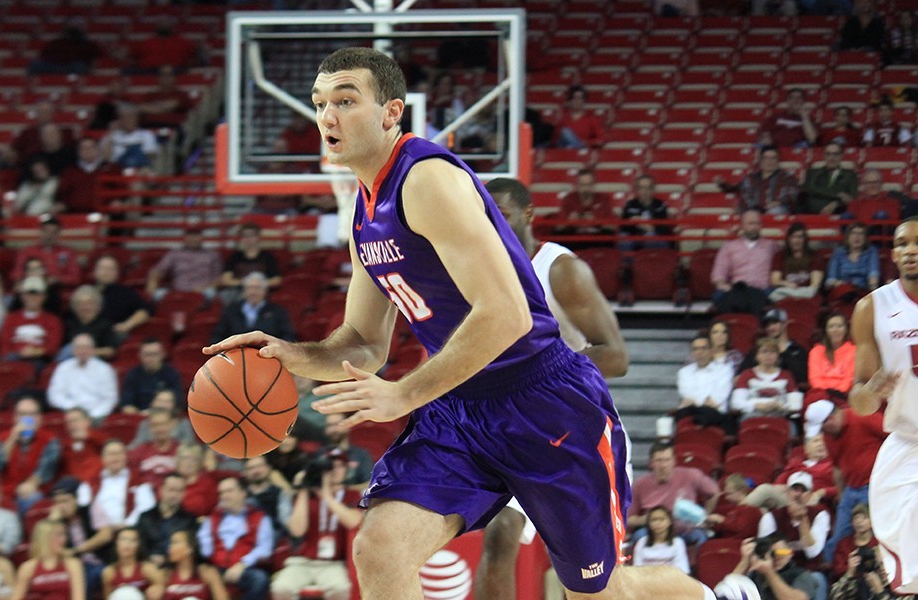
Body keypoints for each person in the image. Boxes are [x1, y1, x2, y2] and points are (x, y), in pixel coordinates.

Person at [207, 46, 709, 600]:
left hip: (545, 406)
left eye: (346, 100)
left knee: (599, 594)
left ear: (391, 112)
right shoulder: (364, 210)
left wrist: (402, 395)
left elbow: (508, 315)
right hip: (460, 411)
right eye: (320, 102)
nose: (328, 115)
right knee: (381, 547)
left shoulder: (427, 180)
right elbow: (365, 342)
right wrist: (290, 354)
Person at [478, 176, 633, 599]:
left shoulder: (560, 269)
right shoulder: (478, 275)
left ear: (528, 216)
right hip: (515, 432)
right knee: (498, 537)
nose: (493, 224)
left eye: (503, 215)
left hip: (579, 432)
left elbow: (616, 356)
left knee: (600, 585)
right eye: (486, 216)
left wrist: (542, 375)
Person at [847, 217, 918, 594]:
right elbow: (859, 403)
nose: (912, 250)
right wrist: (873, 388)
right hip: (907, 440)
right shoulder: (872, 308)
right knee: (907, 574)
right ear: (893, 253)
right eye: (903, 243)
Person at [270, 448, 363, 600]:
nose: (334, 470)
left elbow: (354, 521)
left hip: (333, 563)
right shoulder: (308, 496)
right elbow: (297, 531)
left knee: (340, 589)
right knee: (281, 588)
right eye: (330, 466)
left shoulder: (351, 495)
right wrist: (304, 489)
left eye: (340, 465)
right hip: (303, 561)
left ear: (347, 470)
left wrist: (326, 495)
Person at [804, 400, 887, 562]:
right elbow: (837, 468)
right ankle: (834, 576)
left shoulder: (863, 416)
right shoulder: (829, 436)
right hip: (851, 489)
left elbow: (895, 437)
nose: (822, 433)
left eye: (822, 427)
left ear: (832, 418)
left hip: (875, 486)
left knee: (875, 535)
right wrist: (842, 498)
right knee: (838, 538)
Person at [627, 442, 719, 548]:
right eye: (659, 461)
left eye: (667, 460)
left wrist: (705, 515)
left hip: (685, 530)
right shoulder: (640, 484)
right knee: (639, 537)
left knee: (701, 538)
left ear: (674, 461)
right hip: (654, 532)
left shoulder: (690, 475)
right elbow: (629, 519)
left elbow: (714, 492)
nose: (663, 465)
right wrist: (649, 519)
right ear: (651, 463)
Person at [197, 476, 273, 600]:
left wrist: (242, 564)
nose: (224, 496)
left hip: (244, 568)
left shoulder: (260, 518)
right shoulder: (211, 519)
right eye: (221, 493)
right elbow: (205, 551)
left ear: (243, 493)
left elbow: (265, 549)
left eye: (229, 491)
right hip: (216, 568)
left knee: (260, 579)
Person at [0, 396, 61, 515]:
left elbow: (46, 469)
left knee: (30, 498)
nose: (27, 419)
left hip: (36, 490)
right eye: (22, 414)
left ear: (39, 418)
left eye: (32, 414)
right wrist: (12, 439)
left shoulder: (50, 439)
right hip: (6, 492)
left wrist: (31, 484)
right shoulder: (3, 438)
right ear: (15, 418)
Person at [47, 476, 112, 598]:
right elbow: (45, 545)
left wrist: (77, 550)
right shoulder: (58, 520)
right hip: (71, 564)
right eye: (57, 502)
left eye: (65, 501)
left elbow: (106, 535)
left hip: (98, 561)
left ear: (77, 499)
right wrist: (52, 523)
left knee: (85, 576)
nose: (61, 507)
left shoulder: (90, 509)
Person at [711, 209, 779, 312]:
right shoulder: (729, 246)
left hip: (763, 290)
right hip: (737, 289)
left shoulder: (771, 245)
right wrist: (722, 285)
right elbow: (719, 271)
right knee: (719, 296)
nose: (754, 227)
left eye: (757, 223)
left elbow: (782, 263)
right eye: (751, 224)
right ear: (742, 226)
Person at [78, 440, 157, 529]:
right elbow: (83, 505)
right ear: (102, 458)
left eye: (119, 454)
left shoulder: (138, 480)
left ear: (126, 456)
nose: (115, 458)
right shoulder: (91, 482)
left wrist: (126, 525)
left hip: (128, 532)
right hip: (98, 532)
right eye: (111, 454)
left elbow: (146, 506)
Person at [46, 333, 119, 420]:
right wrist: (73, 409)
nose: (83, 351)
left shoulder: (105, 369)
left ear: (92, 350)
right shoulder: (63, 367)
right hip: (69, 413)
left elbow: (110, 399)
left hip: (96, 415)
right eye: (79, 347)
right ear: (73, 350)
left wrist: (93, 415)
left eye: (86, 347)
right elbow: (55, 394)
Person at [731, 338, 804, 422]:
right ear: (757, 355)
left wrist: (782, 407)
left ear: (777, 355)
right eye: (764, 352)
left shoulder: (786, 375)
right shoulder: (747, 374)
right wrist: (757, 405)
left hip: (779, 417)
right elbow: (736, 403)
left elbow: (795, 405)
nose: (768, 355)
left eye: (772, 352)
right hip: (752, 416)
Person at [11, 519, 85, 600]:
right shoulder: (28, 567)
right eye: (58, 535)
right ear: (44, 538)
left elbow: (79, 597)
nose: (63, 539)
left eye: (64, 534)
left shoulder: (73, 564)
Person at [136, 472, 199, 568]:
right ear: (161, 490)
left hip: (177, 567)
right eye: (171, 490)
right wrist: (149, 557)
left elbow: (192, 549)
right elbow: (138, 545)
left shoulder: (190, 520)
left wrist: (167, 559)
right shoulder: (145, 518)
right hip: (147, 566)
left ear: (184, 493)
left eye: (179, 491)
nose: (174, 495)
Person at [212, 272, 296, 343]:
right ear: (244, 290)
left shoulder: (278, 311)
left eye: (257, 288)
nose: (253, 292)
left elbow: (288, 337)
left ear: (265, 291)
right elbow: (218, 336)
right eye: (250, 288)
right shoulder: (231, 310)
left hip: (268, 356)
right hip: (236, 356)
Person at [0, 276, 63, 365]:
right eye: (29, 294)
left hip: (39, 359)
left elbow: (52, 347)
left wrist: (36, 352)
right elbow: (4, 345)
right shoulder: (11, 318)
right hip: (14, 358)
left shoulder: (52, 320)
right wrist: (20, 353)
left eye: (36, 294)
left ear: (44, 296)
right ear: (22, 296)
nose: (32, 298)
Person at [675, 333, 734, 431]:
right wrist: (705, 400)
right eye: (696, 349)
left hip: (715, 412)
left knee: (707, 415)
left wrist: (695, 401)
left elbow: (720, 395)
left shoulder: (724, 370)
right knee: (684, 415)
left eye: (703, 348)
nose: (700, 352)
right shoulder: (684, 372)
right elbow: (686, 393)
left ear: (711, 351)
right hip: (689, 411)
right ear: (692, 353)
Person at [737, 308, 810, 387]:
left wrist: (785, 353)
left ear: (785, 323)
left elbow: (802, 379)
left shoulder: (798, 350)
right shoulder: (757, 350)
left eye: (775, 323)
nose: (770, 328)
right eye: (767, 325)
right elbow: (740, 377)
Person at [731, 533, 817, 600]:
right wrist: (745, 561)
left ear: (790, 553)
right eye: (772, 553)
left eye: (781, 552)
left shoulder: (801, 575)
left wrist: (769, 572)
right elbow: (727, 591)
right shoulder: (756, 574)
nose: (777, 557)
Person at [147, 228, 223, 301]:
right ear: (184, 238)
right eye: (190, 235)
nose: (193, 239)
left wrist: (204, 287)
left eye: (196, 235)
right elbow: (158, 270)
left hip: (203, 291)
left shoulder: (212, 255)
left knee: (212, 293)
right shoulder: (174, 254)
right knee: (157, 294)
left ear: (202, 237)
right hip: (177, 292)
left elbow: (218, 279)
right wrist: (153, 278)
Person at [717, 147, 800, 214]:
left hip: (775, 210)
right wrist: (722, 184)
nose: (769, 161)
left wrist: (779, 202)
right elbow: (735, 188)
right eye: (766, 158)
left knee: (775, 211)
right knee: (741, 211)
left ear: (778, 161)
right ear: (761, 160)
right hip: (753, 211)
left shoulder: (787, 178)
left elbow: (792, 195)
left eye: (773, 158)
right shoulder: (750, 178)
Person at [11, 217, 82, 289]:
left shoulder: (67, 252)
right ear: (41, 231)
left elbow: (75, 277)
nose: (49, 235)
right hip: (33, 289)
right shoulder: (28, 251)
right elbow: (17, 273)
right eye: (46, 231)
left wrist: (58, 280)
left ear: (59, 233)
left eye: (54, 232)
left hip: (59, 290)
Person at [91, 255, 151, 340]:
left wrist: (127, 324)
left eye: (110, 269)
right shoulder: (85, 291)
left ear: (116, 273)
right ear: (95, 272)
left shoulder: (126, 293)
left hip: (113, 335)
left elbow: (145, 311)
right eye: (102, 268)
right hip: (87, 335)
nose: (106, 272)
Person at [161, 530, 229, 600]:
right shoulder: (166, 575)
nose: (170, 548)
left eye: (175, 542)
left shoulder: (207, 572)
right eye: (171, 543)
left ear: (189, 548)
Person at [120, 339, 182, 413]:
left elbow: (178, 404)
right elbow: (127, 405)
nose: (151, 358)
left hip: (165, 415)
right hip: (140, 415)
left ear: (163, 354)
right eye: (147, 354)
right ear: (139, 355)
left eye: (155, 354)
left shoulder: (171, 374)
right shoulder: (132, 375)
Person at [101, 526, 163, 598]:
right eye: (123, 539)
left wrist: (157, 590)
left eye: (132, 540)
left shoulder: (148, 568)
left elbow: (162, 589)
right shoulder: (109, 572)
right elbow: (108, 597)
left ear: (138, 545)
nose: (127, 544)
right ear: (116, 544)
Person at [60, 285, 119, 361]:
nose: (84, 307)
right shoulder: (68, 324)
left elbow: (110, 351)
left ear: (97, 305)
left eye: (89, 303)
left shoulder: (105, 325)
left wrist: (84, 352)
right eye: (80, 303)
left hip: (94, 362)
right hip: (70, 362)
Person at [220, 224, 283, 294]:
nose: (248, 238)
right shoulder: (235, 257)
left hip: (260, 290)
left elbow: (277, 280)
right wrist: (244, 282)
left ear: (258, 237)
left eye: (252, 235)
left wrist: (257, 284)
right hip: (238, 290)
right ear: (242, 238)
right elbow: (226, 279)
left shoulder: (268, 257)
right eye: (245, 236)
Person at [769, 222, 825, 302]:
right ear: (788, 239)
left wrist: (799, 294)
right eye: (793, 237)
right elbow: (775, 280)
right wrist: (786, 284)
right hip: (786, 292)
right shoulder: (779, 256)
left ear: (805, 239)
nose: (796, 240)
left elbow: (815, 284)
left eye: (800, 237)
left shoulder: (815, 256)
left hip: (807, 294)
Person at [807, 313, 856, 401]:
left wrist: (838, 393)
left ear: (846, 329)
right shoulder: (816, 351)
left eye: (840, 326)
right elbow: (815, 378)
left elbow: (849, 378)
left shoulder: (854, 351)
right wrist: (826, 394)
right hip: (821, 395)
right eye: (831, 326)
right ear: (826, 330)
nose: (835, 330)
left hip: (844, 395)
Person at [242, 456, 293, 539]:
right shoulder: (240, 495)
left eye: (259, 466)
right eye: (251, 468)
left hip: (275, 539)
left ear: (268, 468)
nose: (256, 471)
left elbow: (286, 521)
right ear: (244, 473)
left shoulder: (279, 493)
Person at [618, 174, 672, 251]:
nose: (645, 191)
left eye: (648, 188)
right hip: (635, 236)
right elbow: (623, 227)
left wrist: (651, 228)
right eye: (642, 188)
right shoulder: (630, 204)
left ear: (653, 190)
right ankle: (627, 263)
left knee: (650, 237)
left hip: (656, 237)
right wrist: (636, 224)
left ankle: (648, 262)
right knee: (624, 238)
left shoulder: (660, 205)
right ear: (637, 190)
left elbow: (665, 228)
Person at [128, 408, 180, 487]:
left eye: (163, 424)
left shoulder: (181, 451)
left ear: (172, 424)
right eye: (155, 425)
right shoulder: (139, 452)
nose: (159, 429)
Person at [802, 143, 858, 215]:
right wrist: (838, 194)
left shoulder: (850, 175)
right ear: (824, 156)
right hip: (812, 213)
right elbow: (811, 189)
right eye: (828, 154)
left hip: (839, 214)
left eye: (835, 154)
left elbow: (852, 197)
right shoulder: (812, 173)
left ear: (841, 156)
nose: (831, 158)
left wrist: (836, 203)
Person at [826, 222, 881, 295]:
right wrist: (838, 283)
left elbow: (873, 273)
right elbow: (831, 278)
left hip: (862, 291)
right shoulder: (839, 252)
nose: (857, 237)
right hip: (842, 291)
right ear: (848, 237)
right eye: (853, 233)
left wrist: (873, 291)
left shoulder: (871, 251)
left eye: (861, 234)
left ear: (865, 238)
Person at [631, 506, 689, 573]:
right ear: (649, 524)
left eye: (662, 519)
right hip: (647, 580)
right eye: (654, 520)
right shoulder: (641, 542)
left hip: (672, 580)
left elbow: (683, 570)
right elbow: (637, 569)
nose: (658, 523)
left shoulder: (678, 542)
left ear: (669, 521)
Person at [831, 503, 879, 581]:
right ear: (852, 523)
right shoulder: (844, 544)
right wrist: (850, 569)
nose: (859, 521)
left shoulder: (879, 543)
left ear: (872, 521)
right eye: (856, 518)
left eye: (865, 518)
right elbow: (837, 570)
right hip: (851, 585)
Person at [59, 407, 107, 482]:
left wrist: (89, 436)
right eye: (69, 422)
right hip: (73, 486)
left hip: (97, 482)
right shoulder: (63, 445)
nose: (72, 425)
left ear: (87, 421)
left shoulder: (99, 438)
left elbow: (111, 449)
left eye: (75, 420)